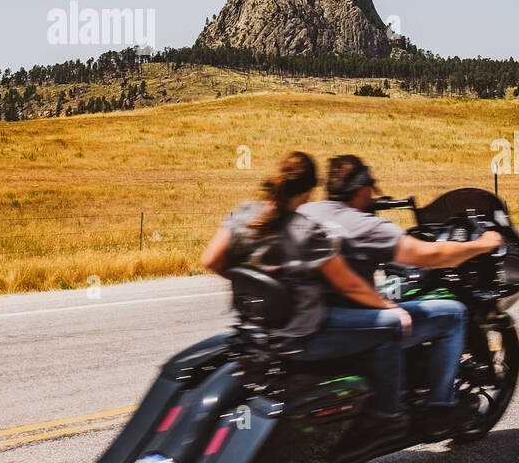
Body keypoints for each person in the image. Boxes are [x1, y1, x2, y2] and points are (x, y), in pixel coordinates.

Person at [199, 151, 412, 442]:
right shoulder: (306, 231)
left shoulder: (245, 212)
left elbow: (211, 260)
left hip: (250, 330)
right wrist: (390, 307)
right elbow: (350, 286)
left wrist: (253, 282)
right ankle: (388, 416)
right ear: (311, 191)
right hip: (298, 340)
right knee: (390, 328)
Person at [300, 154, 502, 440]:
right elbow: (430, 256)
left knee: (386, 297)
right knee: (454, 314)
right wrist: (481, 244)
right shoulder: (365, 226)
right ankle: (440, 408)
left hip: (310, 318)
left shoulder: (309, 212)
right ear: (363, 190)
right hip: (348, 322)